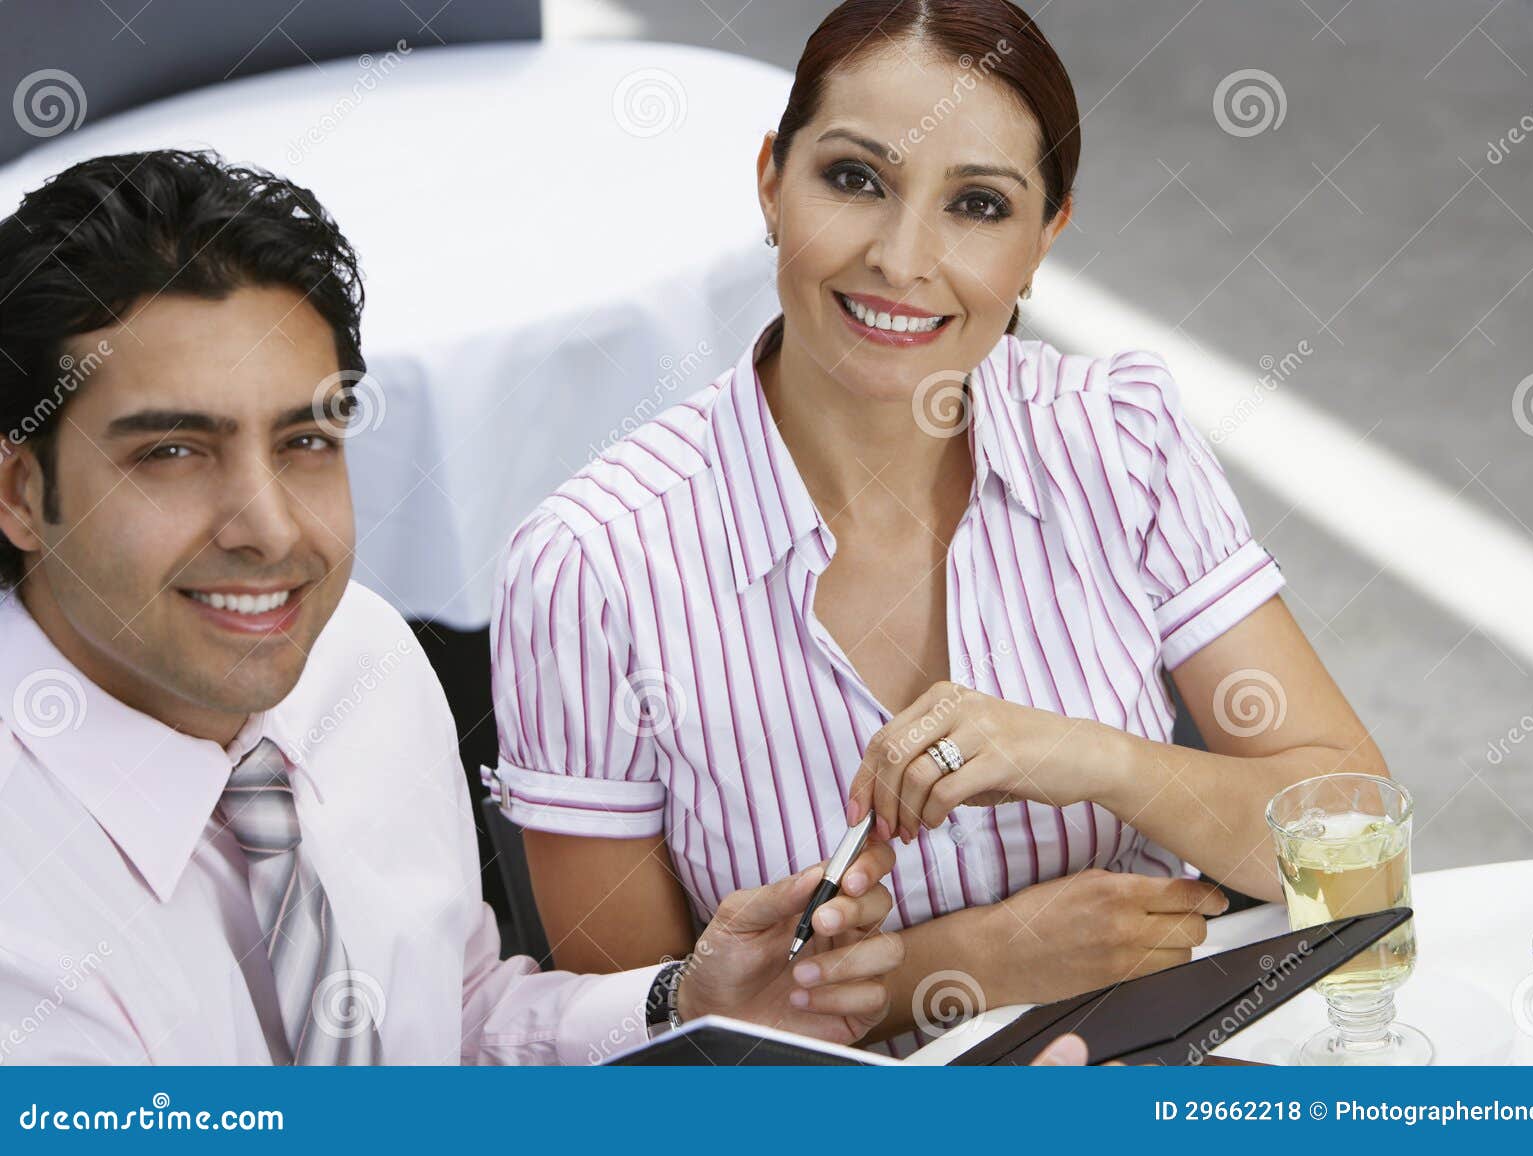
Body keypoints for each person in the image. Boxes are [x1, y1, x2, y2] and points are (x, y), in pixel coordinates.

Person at [488, 0, 1387, 1056]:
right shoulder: (589, 566)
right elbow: (647, 1053)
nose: (902, 259)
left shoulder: (1119, 437)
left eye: (976, 204)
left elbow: (1358, 849)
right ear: (772, 180)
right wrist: (976, 963)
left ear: (1044, 240)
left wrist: (1100, 759)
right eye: (855, 180)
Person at [0, 149, 903, 1065]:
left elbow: (451, 1018)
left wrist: (681, 1005)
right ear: (20, 491)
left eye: (306, 439)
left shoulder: (362, 654)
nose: (270, 532)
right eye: (173, 454)